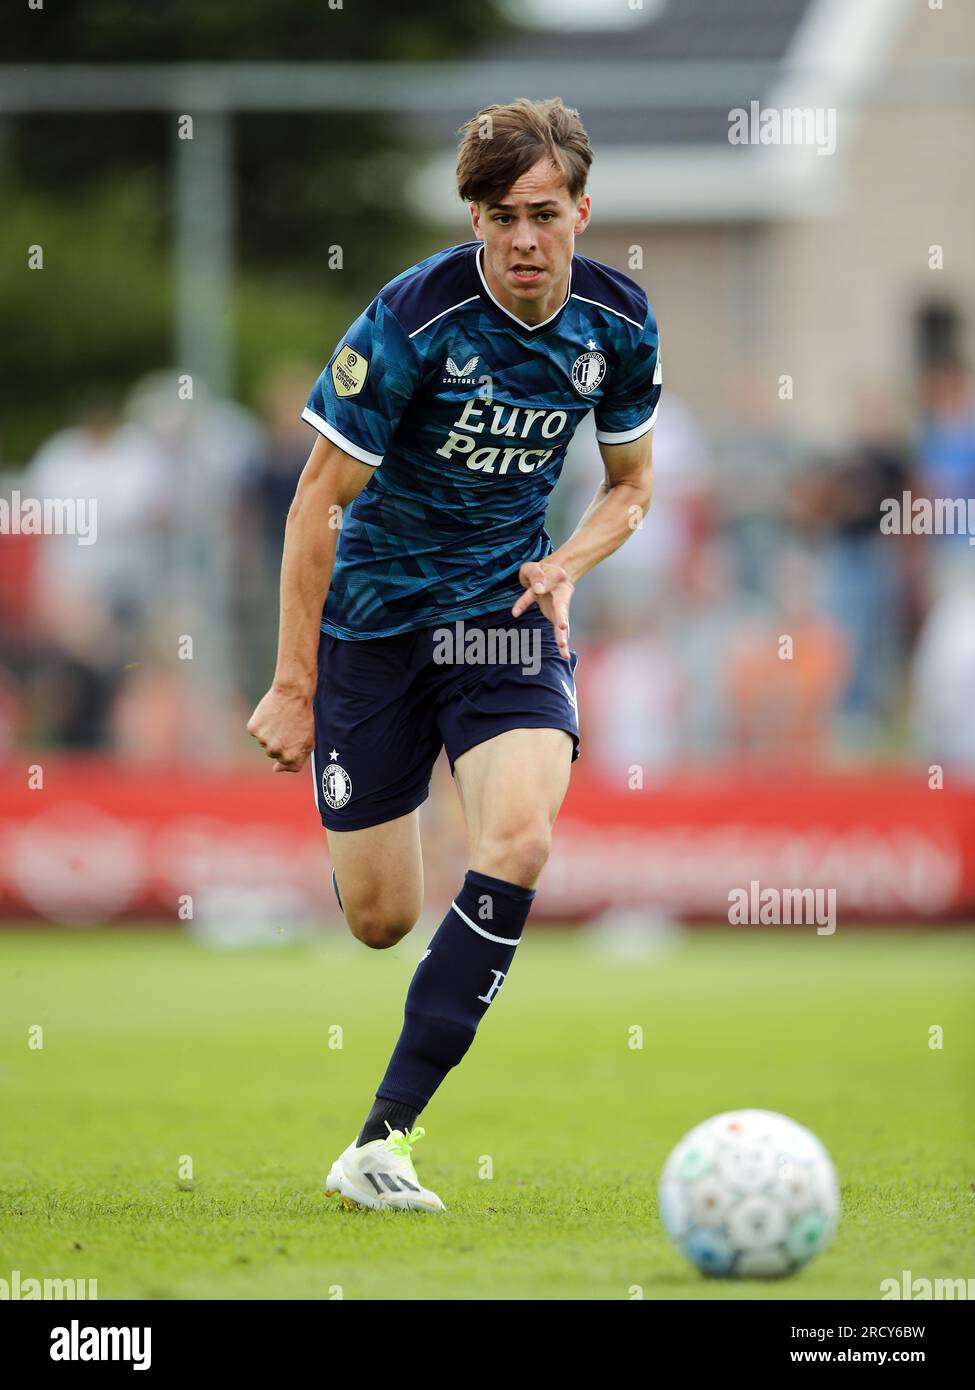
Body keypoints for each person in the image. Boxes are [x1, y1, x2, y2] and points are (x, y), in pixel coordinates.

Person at [247, 98, 661, 1212]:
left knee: (519, 840)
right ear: (473, 219)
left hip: (504, 621)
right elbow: (315, 503)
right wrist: (294, 680)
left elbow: (630, 490)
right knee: (380, 919)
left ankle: (381, 1140)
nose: (522, 239)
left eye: (541, 213)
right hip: (376, 632)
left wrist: (567, 563)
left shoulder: (618, 325)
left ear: (582, 207)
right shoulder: (411, 318)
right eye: (497, 217)